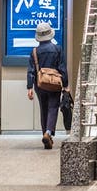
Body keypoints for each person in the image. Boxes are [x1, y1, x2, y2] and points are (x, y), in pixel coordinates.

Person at [26, 22, 68, 150]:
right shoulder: (57, 49)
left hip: (40, 84)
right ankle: (48, 133)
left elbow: (31, 71)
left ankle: (45, 133)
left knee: (44, 109)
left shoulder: (34, 52)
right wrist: (66, 85)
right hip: (54, 84)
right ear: (50, 34)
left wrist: (29, 87)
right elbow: (62, 68)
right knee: (53, 107)